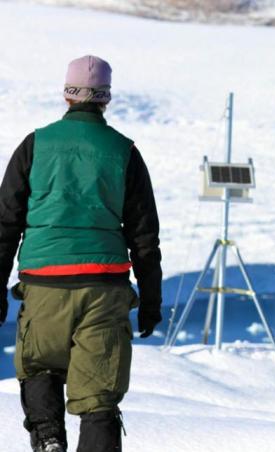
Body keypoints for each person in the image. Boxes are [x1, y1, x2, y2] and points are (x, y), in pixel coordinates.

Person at [0, 55, 162, 452]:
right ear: (106, 98)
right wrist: (152, 299)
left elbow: (5, 223)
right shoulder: (124, 152)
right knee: (100, 398)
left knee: (39, 368)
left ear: (67, 94)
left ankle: (49, 438)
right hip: (104, 288)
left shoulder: (35, 144)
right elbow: (144, 235)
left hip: (43, 285)